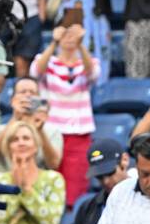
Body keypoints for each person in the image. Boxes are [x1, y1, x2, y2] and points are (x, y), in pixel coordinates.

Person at [31, 19, 99, 206]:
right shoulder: (47, 61)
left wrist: (80, 44)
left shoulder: (88, 61)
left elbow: (92, 72)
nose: (69, 37)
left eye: (73, 34)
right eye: (65, 33)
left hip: (79, 135)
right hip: (52, 134)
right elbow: (36, 71)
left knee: (74, 195)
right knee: (49, 188)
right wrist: (53, 42)